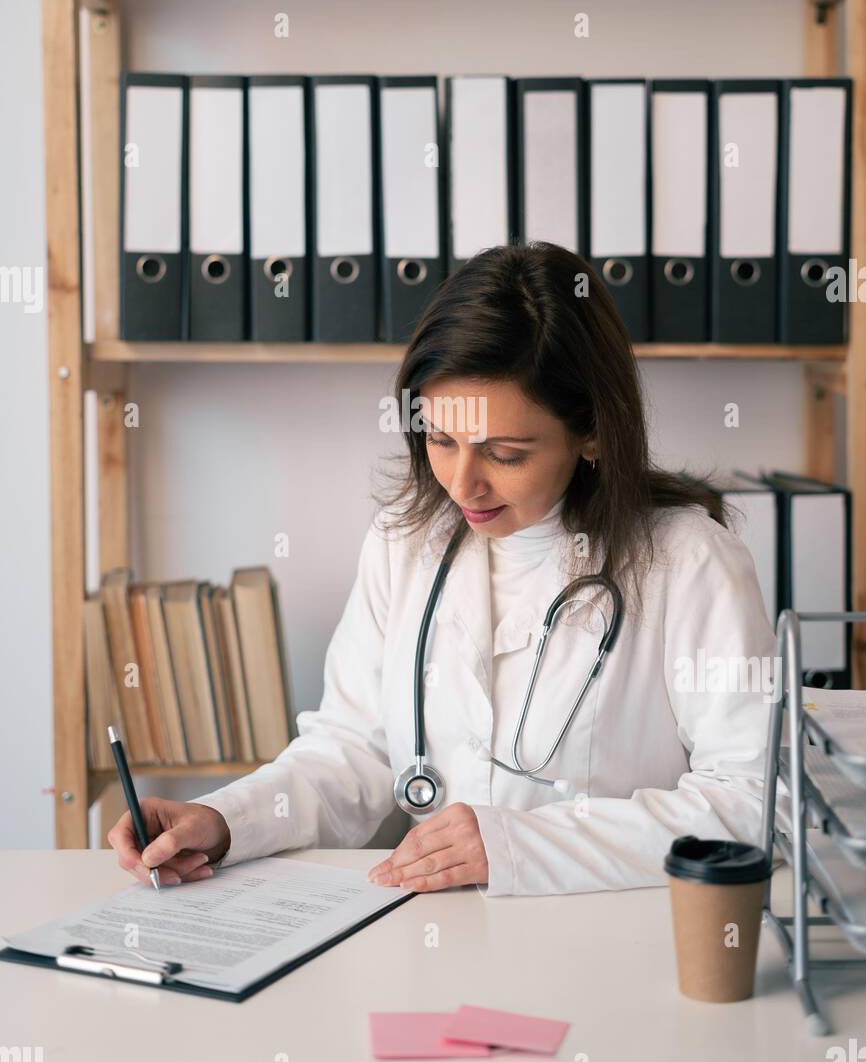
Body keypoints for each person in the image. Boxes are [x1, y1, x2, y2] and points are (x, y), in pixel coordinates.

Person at [109, 242, 777, 897]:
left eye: (506, 454)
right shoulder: (404, 545)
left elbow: (751, 803)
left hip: (612, 945)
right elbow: (353, 752)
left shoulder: (690, 564)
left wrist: (522, 846)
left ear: (594, 431)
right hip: (439, 947)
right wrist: (226, 820)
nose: (463, 484)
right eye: (440, 439)